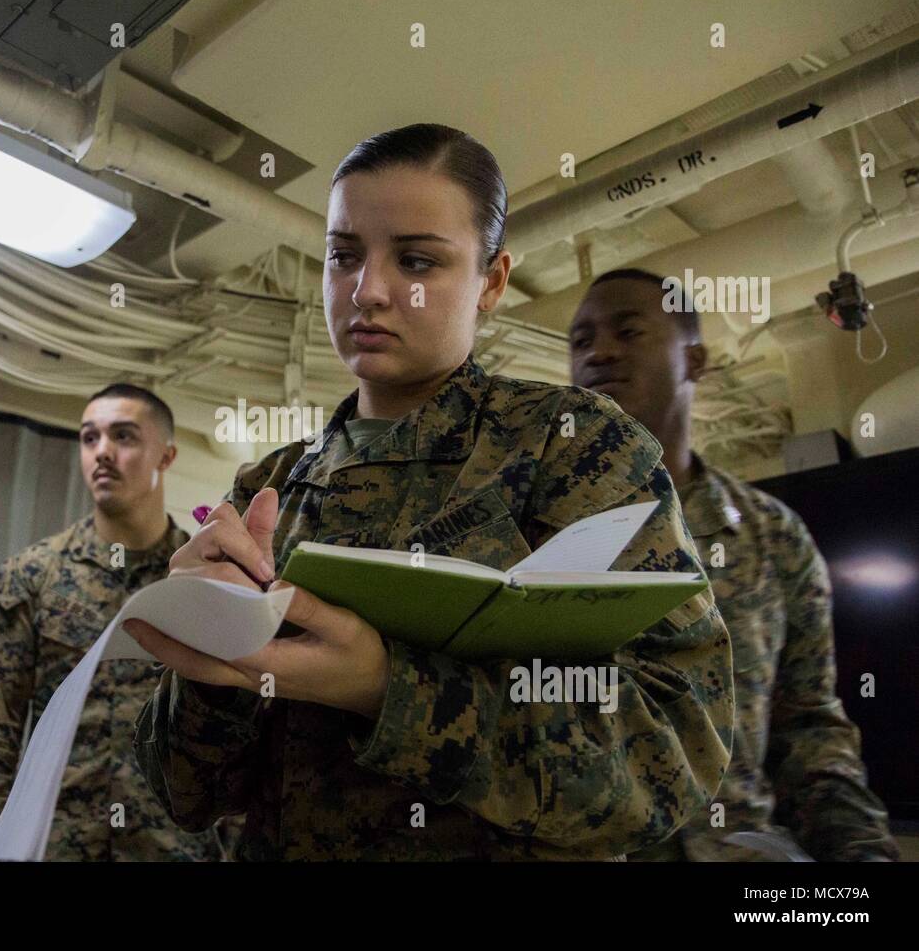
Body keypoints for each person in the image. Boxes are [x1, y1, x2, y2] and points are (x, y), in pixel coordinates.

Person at [123, 123, 735, 861]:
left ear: (493, 281)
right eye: (343, 256)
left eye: (416, 260)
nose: (368, 290)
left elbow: (670, 754)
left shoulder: (567, 445)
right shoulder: (270, 487)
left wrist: (391, 690)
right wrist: (213, 662)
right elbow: (182, 794)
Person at [569, 268, 899, 861]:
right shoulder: (532, 534)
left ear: (694, 361)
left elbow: (809, 728)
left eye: (627, 330)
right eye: (581, 340)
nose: (599, 353)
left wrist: (861, 853)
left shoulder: (773, 537)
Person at [0, 384, 222, 861]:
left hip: (173, 848)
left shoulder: (203, 583)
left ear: (167, 456)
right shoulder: (32, 576)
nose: (103, 452)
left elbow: (232, 736)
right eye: (90, 438)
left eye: (124, 437)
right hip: (58, 845)